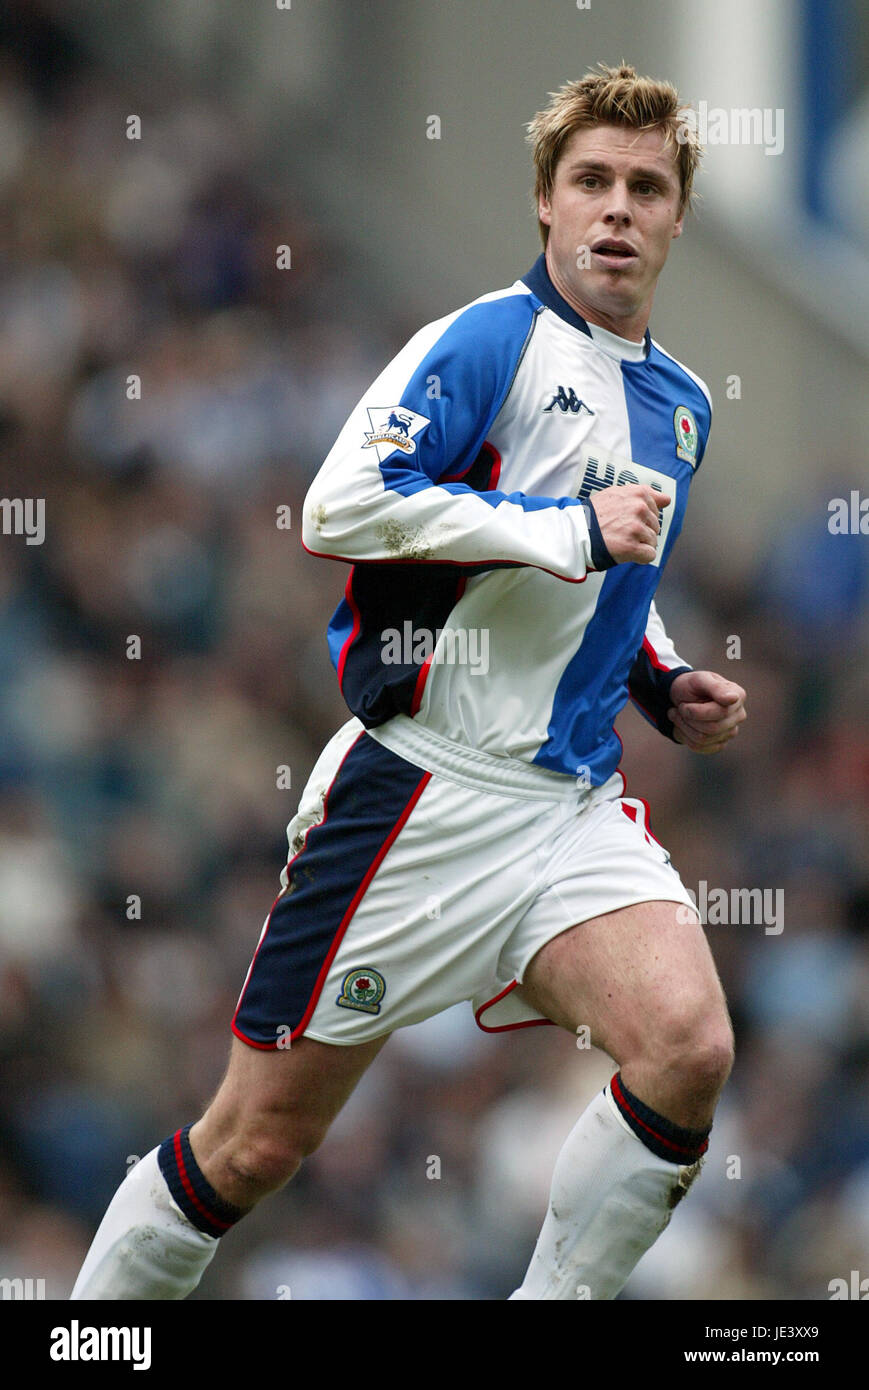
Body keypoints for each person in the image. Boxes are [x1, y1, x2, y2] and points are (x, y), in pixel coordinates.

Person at [72, 62, 746, 1301]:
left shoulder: (683, 401)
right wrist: (564, 528)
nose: (615, 207)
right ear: (543, 200)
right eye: (590, 180)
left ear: (675, 216)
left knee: (687, 1046)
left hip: (568, 809)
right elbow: (340, 503)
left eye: (644, 188)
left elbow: (607, 587)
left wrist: (663, 681)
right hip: (417, 798)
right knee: (252, 1144)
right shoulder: (485, 340)